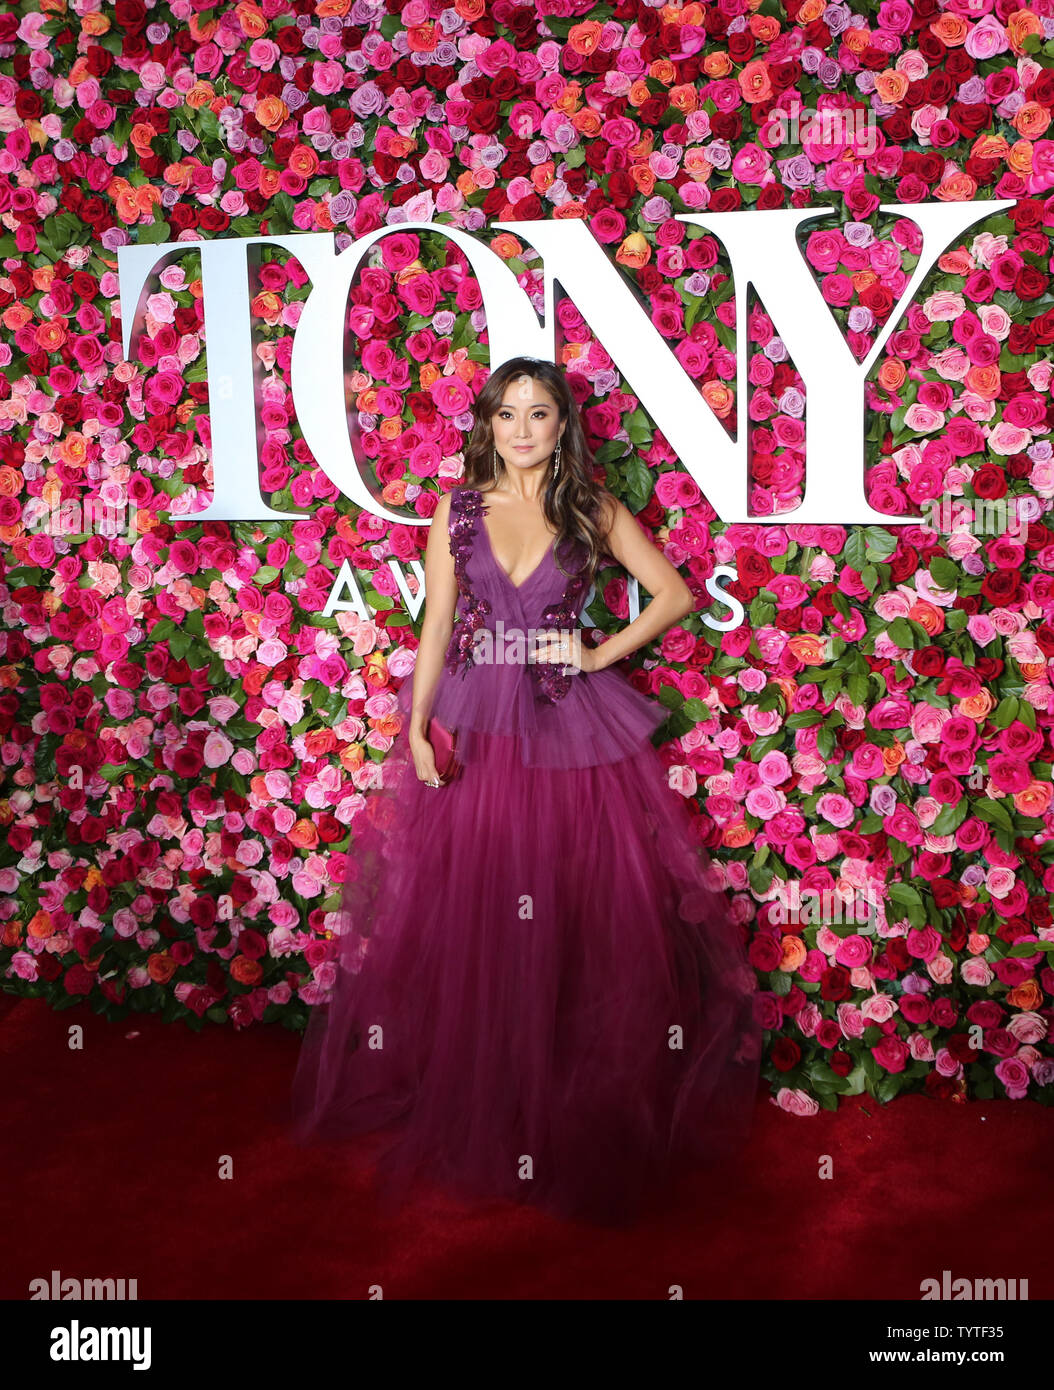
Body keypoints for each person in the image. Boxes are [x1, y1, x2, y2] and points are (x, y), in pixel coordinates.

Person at [290, 356, 761, 1227]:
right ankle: (492, 1096)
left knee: (572, 910)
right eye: (506, 414)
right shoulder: (458, 509)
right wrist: (415, 723)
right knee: (479, 911)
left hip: (565, 722)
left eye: (538, 414)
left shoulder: (590, 509)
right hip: (478, 721)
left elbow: (673, 595)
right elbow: (435, 622)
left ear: (560, 426)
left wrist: (595, 652)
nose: (520, 430)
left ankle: (561, 1100)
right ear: (488, 425)